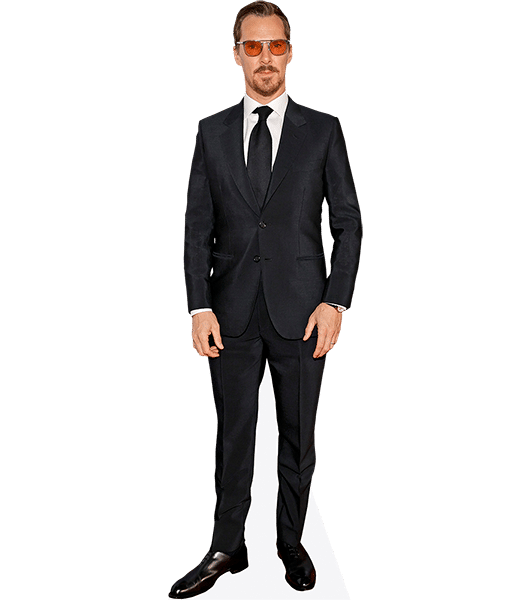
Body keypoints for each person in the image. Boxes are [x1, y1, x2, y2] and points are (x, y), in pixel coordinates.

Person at [169, 2, 364, 597]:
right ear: (236, 55)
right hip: (228, 312)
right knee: (233, 435)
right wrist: (199, 306)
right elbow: (196, 228)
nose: (265, 58)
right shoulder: (210, 131)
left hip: (304, 312)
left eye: (276, 45)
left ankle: (290, 542)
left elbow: (349, 223)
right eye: (253, 46)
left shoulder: (323, 130)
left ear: (290, 52)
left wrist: (335, 303)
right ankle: (227, 545)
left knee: (298, 436)